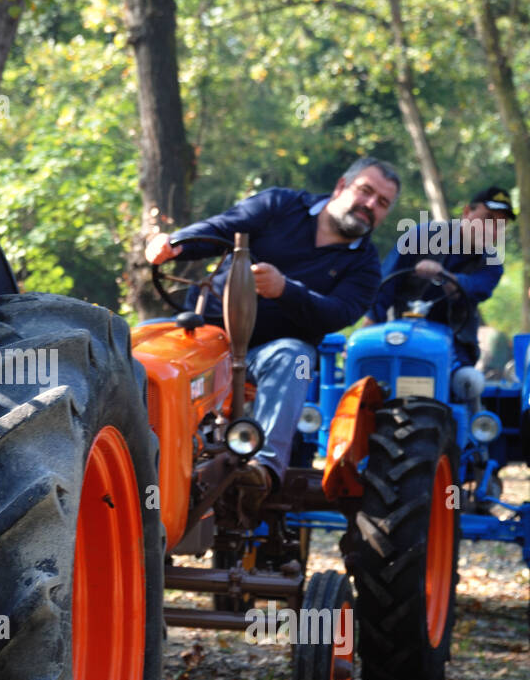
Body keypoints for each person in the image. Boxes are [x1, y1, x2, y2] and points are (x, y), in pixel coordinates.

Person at [146, 156, 399, 514]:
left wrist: (286, 289)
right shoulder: (280, 205)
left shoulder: (365, 266)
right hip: (209, 337)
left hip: (273, 354)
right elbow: (222, 228)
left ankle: (260, 468)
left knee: (296, 358)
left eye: (382, 203)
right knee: (141, 344)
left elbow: (339, 313)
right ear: (342, 186)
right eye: (366, 191)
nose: (370, 206)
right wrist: (176, 244)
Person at [366, 186, 513, 373]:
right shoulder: (420, 237)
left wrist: (443, 275)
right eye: (488, 219)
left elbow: (468, 291)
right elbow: (383, 289)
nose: (492, 230)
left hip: (454, 342)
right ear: (467, 212)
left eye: (501, 225)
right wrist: (366, 332)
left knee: (468, 381)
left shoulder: (492, 266)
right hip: (400, 332)